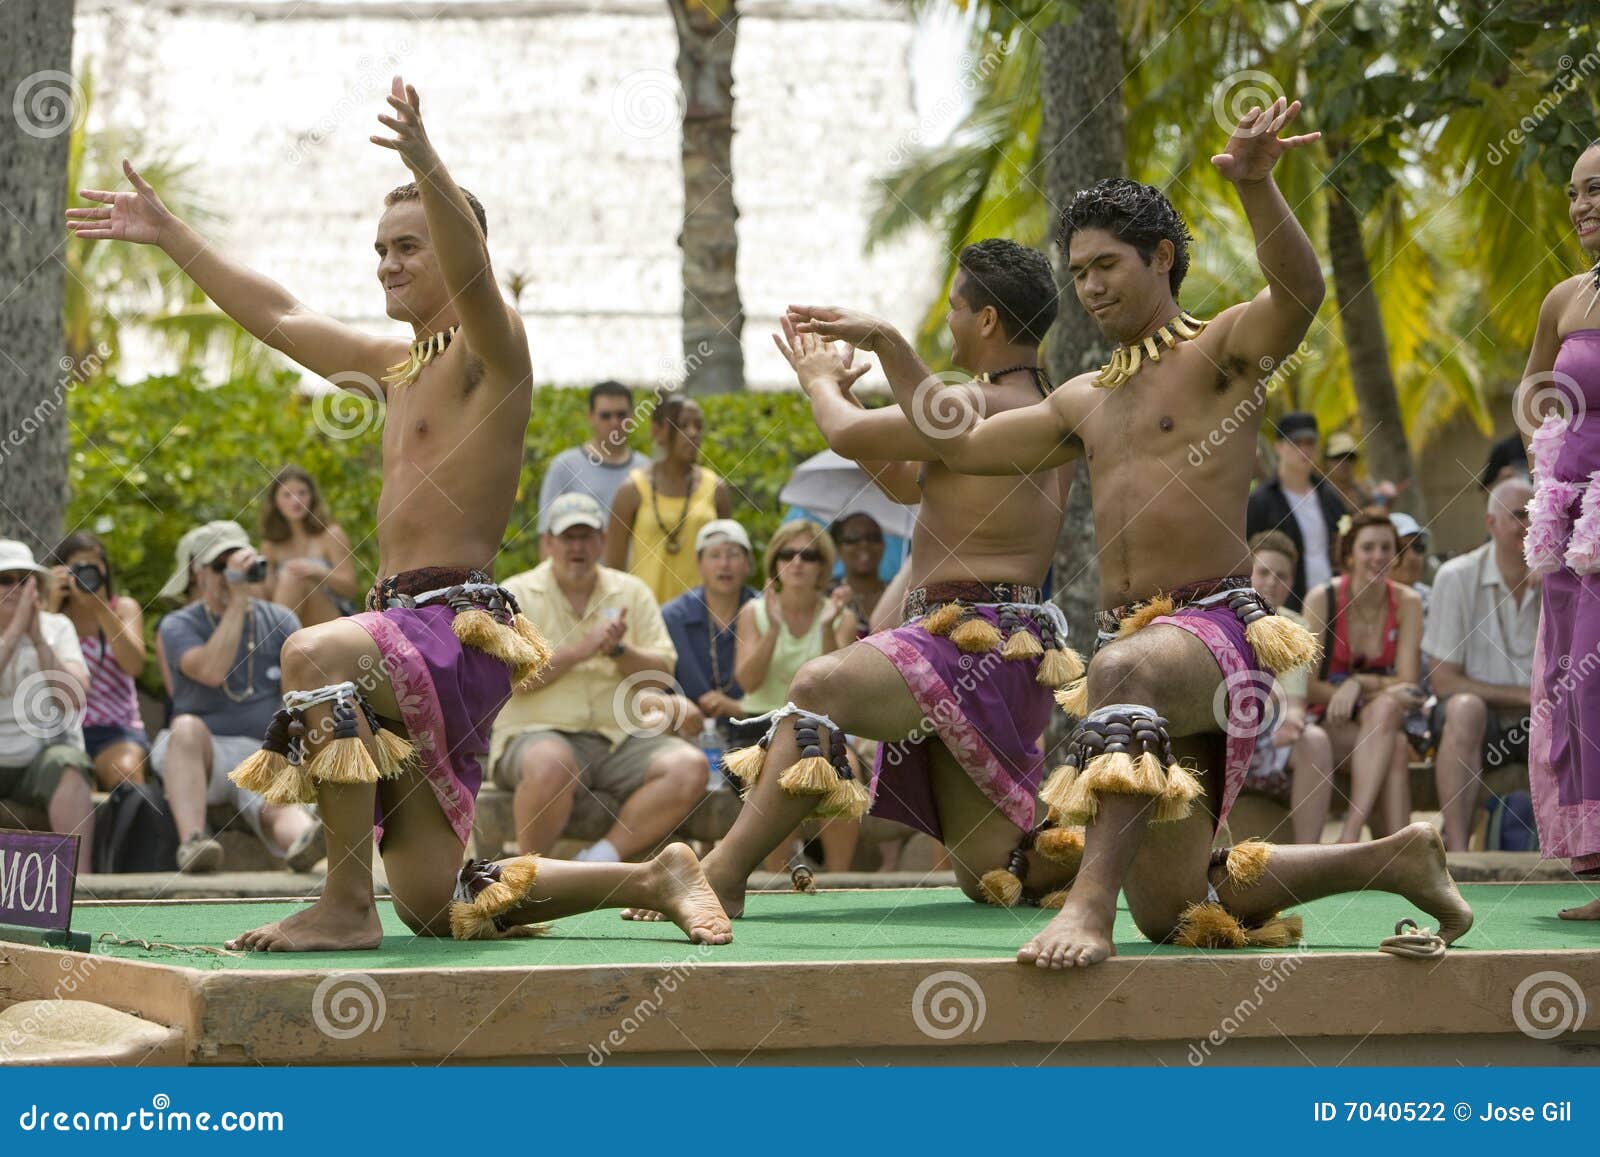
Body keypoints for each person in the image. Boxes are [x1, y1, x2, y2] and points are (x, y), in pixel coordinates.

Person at [69, 77, 729, 948]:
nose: (388, 264)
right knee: (436, 898)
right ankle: (655, 870)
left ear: (461, 251)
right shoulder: (395, 362)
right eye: (380, 249)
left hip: (453, 628)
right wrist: (169, 235)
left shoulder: (494, 353)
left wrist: (425, 160)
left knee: (309, 650)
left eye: (409, 247)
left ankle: (344, 908)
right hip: (397, 630)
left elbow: (475, 275)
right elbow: (280, 313)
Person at [857, 97, 1470, 967]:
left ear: (1164, 258)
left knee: (1124, 665)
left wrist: (1255, 184)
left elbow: (1300, 292)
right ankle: (1391, 855)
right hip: (1137, 655)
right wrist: (888, 348)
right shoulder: (1082, 398)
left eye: (1108, 265)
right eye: (1078, 272)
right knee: (1177, 907)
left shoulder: (1220, 353)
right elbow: (956, 437)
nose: (1092, 286)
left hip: (1218, 628)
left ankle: (1085, 912)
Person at [623, 236, 1087, 928]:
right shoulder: (1025, 407)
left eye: (956, 308)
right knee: (994, 869)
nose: (949, 321)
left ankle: (721, 873)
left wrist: (823, 381)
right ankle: (1122, 851)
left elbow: (845, 434)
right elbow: (900, 472)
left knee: (817, 688)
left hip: (969, 640)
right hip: (993, 648)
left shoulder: (987, 406)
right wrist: (847, 386)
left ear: (986, 321)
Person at [491, 493, 708, 860]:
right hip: (537, 733)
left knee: (690, 767)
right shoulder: (516, 595)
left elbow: (661, 677)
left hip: (619, 738)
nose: (577, 547)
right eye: (568, 537)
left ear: (602, 542)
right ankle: (528, 882)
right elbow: (509, 681)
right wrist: (583, 650)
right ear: (548, 543)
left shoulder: (631, 591)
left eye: (586, 536)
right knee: (551, 763)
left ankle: (597, 860)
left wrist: (620, 651)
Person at [1512, 137, 1600, 919]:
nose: (1583, 208)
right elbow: (1533, 390)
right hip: (1573, 528)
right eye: (1576, 193)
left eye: (1598, 190)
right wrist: (1551, 465)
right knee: (1577, 682)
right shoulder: (1565, 297)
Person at [151, 522, 322, 873]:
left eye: (239, 564)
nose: (231, 575)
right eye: (220, 566)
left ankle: (307, 845)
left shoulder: (280, 620)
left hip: (260, 752)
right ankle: (194, 843)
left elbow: (305, 692)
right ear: (198, 573)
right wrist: (239, 600)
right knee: (184, 728)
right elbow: (211, 671)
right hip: (199, 755)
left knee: (279, 802)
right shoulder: (176, 624)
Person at [734, 520, 860, 872]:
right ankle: (775, 880)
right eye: (788, 554)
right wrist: (773, 629)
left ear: (823, 566)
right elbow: (746, 681)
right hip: (761, 729)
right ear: (775, 561)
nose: (798, 562)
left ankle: (840, 880)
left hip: (821, 729)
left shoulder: (840, 617)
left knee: (846, 768)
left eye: (809, 555)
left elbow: (841, 688)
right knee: (771, 773)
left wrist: (825, 628)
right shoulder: (753, 612)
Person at [1423, 478, 1539, 852]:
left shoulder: (1559, 578)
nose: (1529, 525)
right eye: (1518, 516)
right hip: (1482, 719)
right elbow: (1443, 682)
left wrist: (1557, 590)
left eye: (1536, 515)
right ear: (1491, 524)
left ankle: (1580, 856)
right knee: (1465, 708)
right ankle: (1458, 856)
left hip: (1542, 716)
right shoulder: (1455, 576)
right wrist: (1525, 694)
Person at [1302, 513, 1424, 843]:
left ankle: (1352, 837)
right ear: (1350, 554)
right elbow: (1307, 685)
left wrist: (1359, 685)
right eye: (1368, 547)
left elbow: (1409, 680)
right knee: (1392, 739)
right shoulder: (1323, 599)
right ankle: (1401, 850)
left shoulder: (1408, 602)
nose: (1378, 556)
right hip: (1332, 723)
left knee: (1392, 731)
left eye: (1387, 547)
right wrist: (1349, 693)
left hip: (1385, 721)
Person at [0, 540, 94, 872]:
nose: (15, 589)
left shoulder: (57, 628)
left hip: (39, 758)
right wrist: (14, 633)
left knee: (69, 763)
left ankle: (82, 888)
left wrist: (39, 639)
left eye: (23, 580)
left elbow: (74, 697)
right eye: (5, 580)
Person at [1242, 533, 1334, 843]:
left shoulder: (1296, 627)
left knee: (1316, 740)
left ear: (1292, 582)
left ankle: (1308, 853)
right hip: (1226, 726)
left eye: (1281, 576)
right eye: (1264, 572)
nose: (1271, 582)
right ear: (1247, 574)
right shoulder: (1224, 619)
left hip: (1270, 731)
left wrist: (1291, 721)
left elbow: (1294, 702)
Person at [605, 396, 733, 604]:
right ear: (657, 431)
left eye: (698, 426)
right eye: (682, 425)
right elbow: (613, 571)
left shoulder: (716, 489)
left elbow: (727, 559)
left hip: (701, 619)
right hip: (647, 618)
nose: (693, 433)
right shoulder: (632, 490)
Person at [47, 532, 148, 789]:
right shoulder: (49, 614)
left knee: (126, 777)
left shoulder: (122, 608)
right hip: (58, 729)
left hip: (115, 730)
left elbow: (134, 665)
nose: (85, 574)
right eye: (77, 567)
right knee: (73, 783)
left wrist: (101, 608)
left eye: (93, 566)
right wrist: (48, 607)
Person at [660, 519, 757, 737]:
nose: (724, 564)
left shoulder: (767, 613)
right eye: (714, 556)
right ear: (699, 564)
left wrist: (739, 708)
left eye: (733, 555)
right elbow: (650, 691)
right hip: (688, 736)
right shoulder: (672, 617)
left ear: (748, 563)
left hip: (757, 735)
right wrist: (677, 705)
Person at [1246, 412, 1351, 610]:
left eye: (1310, 443)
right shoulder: (1261, 501)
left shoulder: (1329, 497)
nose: (1304, 450)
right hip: (1281, 608)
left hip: (1333, 605)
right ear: (1279, 447)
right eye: (1296, 442)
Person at [259, 466, 360, 628]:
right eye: (287, 495)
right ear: (275, 501)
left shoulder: (331, 534)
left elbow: (350, 589)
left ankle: (272, 647)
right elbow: (269, 596)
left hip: (334, 616)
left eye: (302, 493)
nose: (296, 500)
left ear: (312, 497)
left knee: (294, 577)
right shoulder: (270, 545)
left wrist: (316, 572)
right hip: (291, 616)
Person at [537, 381, 650, 523]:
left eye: (621, 415)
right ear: (590, 416)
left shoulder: (647, 468)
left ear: (632, 415)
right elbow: (547, 535)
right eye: (605, 416)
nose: (614, 422)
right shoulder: (564, 467)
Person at [830, 512, 888, 632]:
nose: (864, 544)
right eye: (853, 539)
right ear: (838, 547)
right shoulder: (827, 595)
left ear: (883, 545)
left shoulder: (901, 595)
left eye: (873, 538)